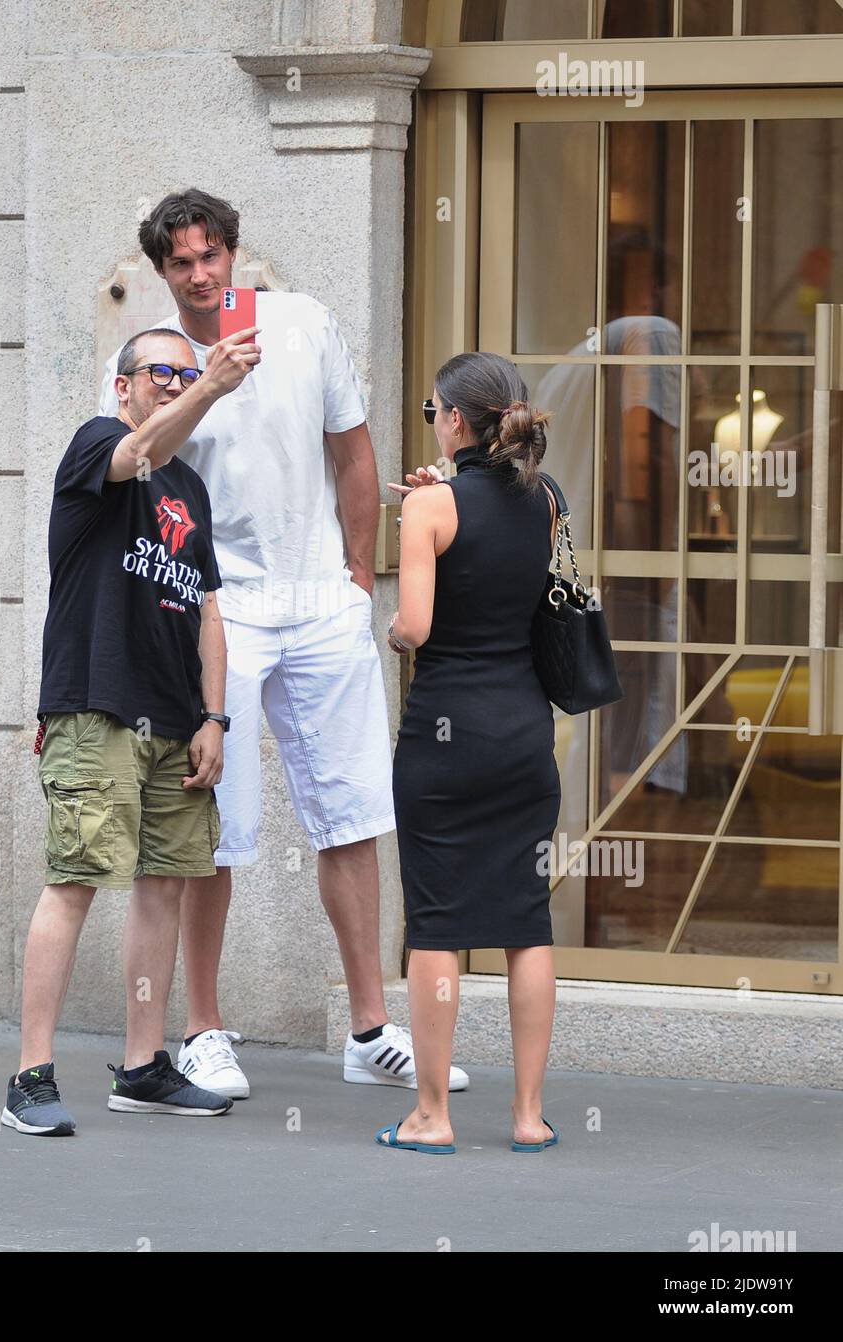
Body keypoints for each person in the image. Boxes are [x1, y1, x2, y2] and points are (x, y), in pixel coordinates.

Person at [100, 189, 468, 1098]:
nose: (198, 274)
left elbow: (352, 453)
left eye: (210, 255)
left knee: (352, 813)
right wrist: (205, 382)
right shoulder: (147, 357)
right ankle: (204, 1030)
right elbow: (132, 469)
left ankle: (370, 1029)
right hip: (214, 608)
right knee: (215, 829)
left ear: (234, 252)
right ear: (160, 272)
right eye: (179, 262)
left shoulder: (304, 324)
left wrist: (356, 573)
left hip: (320, 602)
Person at [3, 323, 260, 1134]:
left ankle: (146, 1065)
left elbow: (209, 610)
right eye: (162, 372)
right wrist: (216, 386)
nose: (178, 382)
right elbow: (135, 457)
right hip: (97, 704)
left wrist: (214, 716)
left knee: (164, 889)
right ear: (122, 386)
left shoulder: (192, 486)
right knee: (77, 878)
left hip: (176, 719)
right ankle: (29, 1077)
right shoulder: (98, 442)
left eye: (189, 374)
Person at [377, 352, 561, 1154]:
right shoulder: (547, 499)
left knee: (439, 922)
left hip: (446, 732)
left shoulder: (430, 510)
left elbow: (414, 625)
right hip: (524, 726)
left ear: (454, 420)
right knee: (527, 920)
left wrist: (391, 628)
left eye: (433, 411)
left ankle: (432, 1116)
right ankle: (528, 1117)